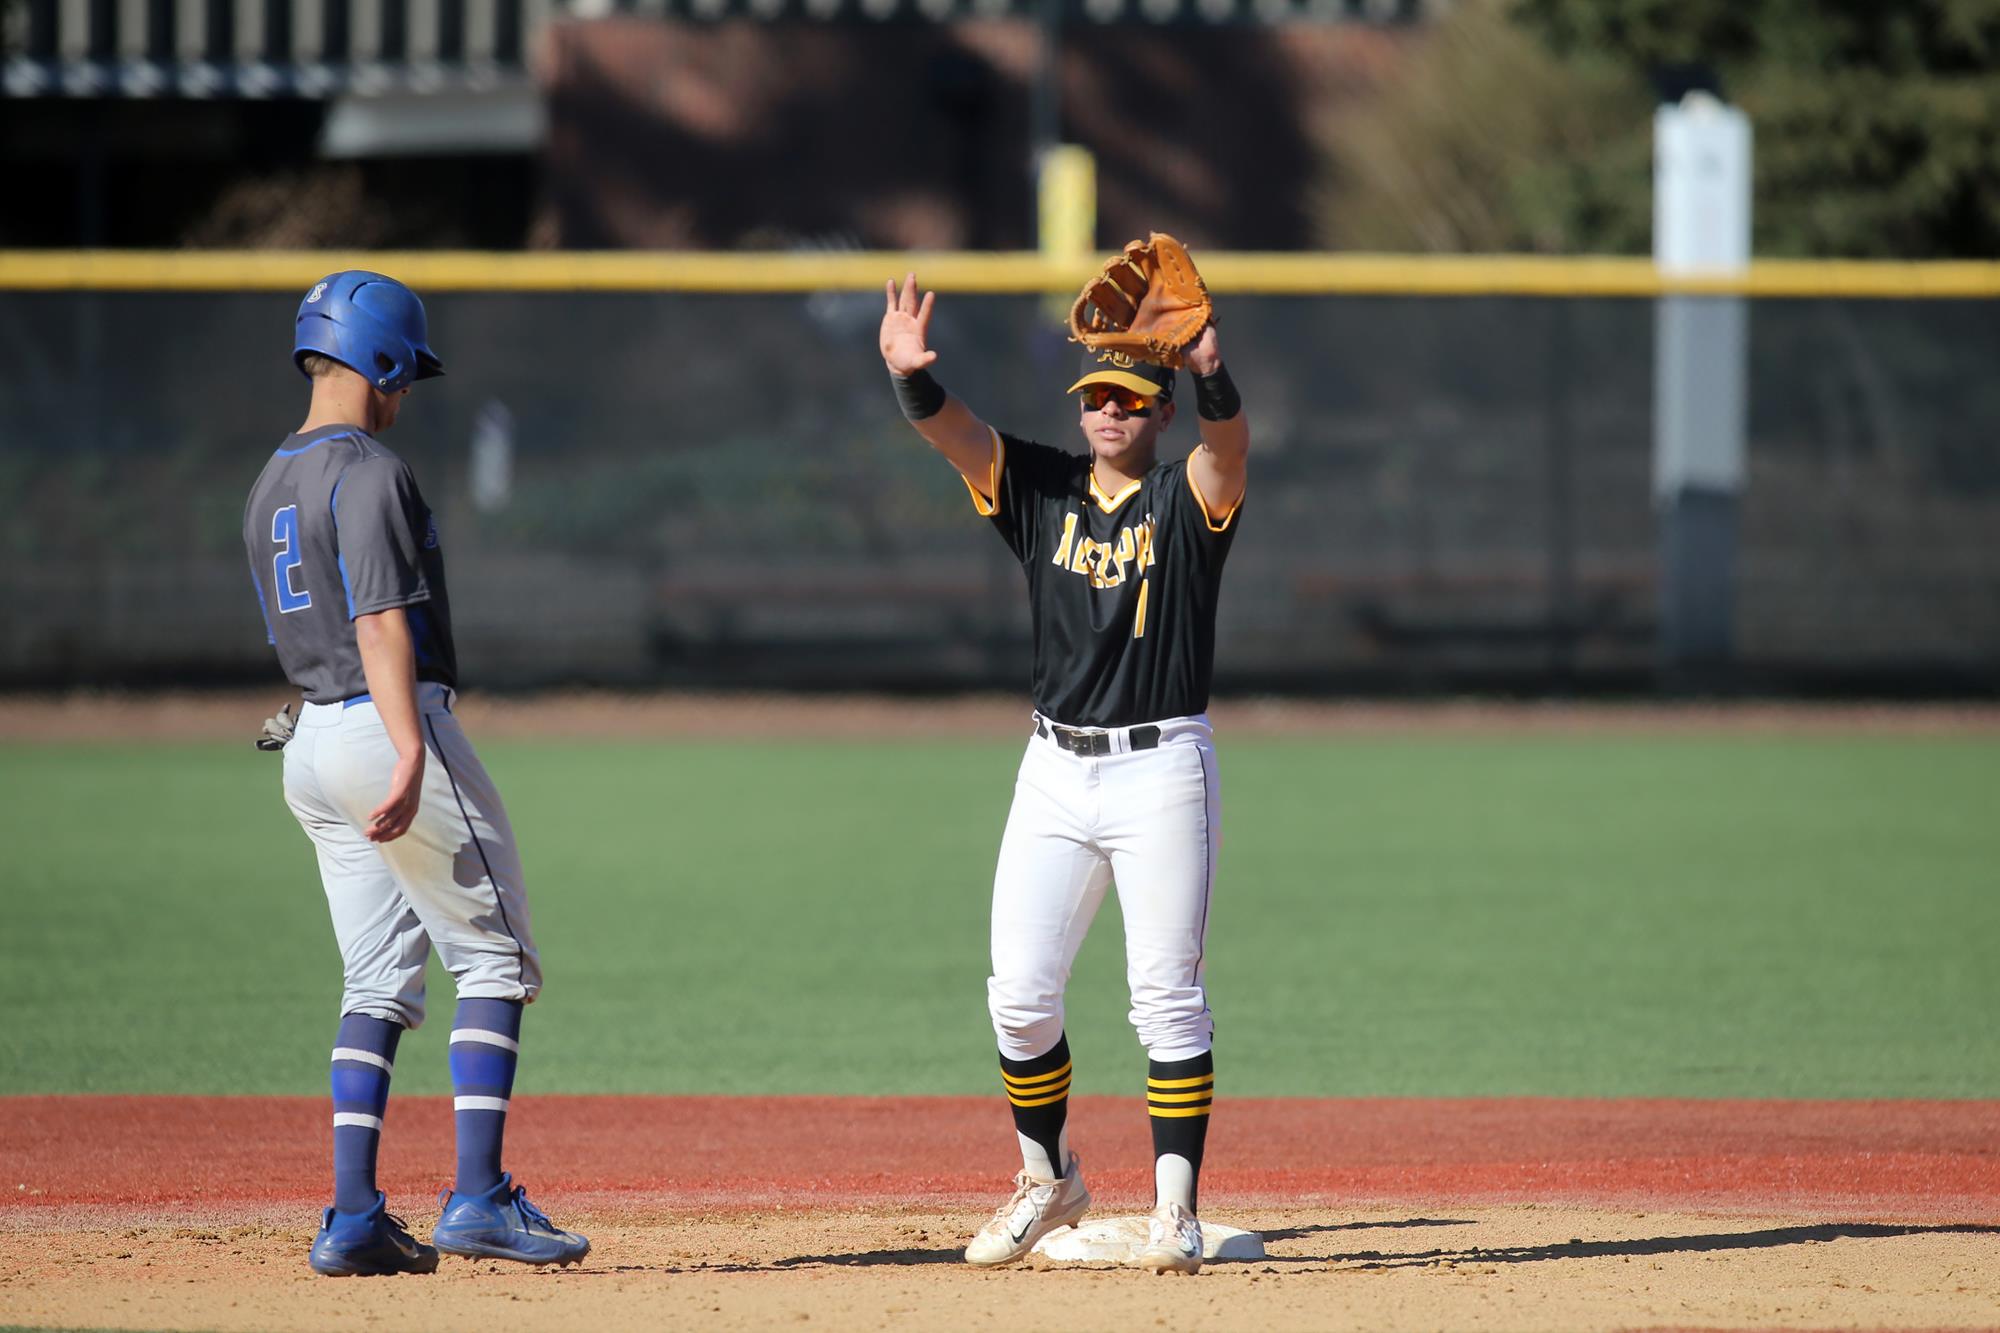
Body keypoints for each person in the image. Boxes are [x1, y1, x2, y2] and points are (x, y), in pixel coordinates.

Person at [878, 271, 1250, 1275]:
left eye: (1127, 397)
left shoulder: (1185, 499)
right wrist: (910, 380)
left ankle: (1174, 1210)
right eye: (1093, 394)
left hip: (1160, 765)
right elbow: (956, 435)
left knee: (1163, 995)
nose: (1105, 410)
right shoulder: (1040, 491)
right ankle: (1048, 1182)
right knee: (1017, 996)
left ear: (1157, 410)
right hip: (1051, 768)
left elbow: (1228, 451)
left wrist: (1210, 371)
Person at [242, 270, 590, 1277]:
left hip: (310, 736)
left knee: (375, 980)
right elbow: (381, 621)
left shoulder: (271, 477)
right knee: (495, 959)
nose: (407, 394)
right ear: (381, 359)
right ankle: (478, 1197)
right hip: (385, 724)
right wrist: (404, 752)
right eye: (407, 373)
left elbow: (303, 628)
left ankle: (353, 1216)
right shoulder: (370, 468)